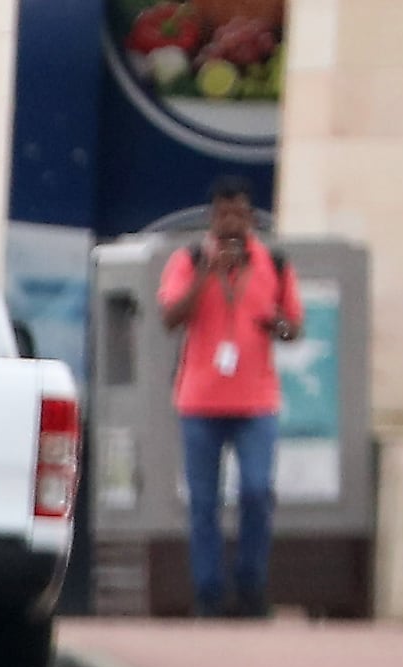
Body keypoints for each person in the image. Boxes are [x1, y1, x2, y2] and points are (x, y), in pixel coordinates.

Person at [157, 183, 303, 618]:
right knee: (204, 504)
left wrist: (279, 325)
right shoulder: (188, 261)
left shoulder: (273, 263)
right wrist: (208, 274)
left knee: (257, 492)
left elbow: (294, 326)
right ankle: (208, 593)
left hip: (256, 402)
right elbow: (170, 317)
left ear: (252, 219)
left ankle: (252, 586)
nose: (232, 225)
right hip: (200, 404)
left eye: (240, 215)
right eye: (224, 216)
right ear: (212, 219)